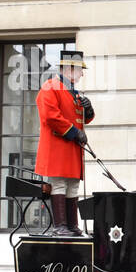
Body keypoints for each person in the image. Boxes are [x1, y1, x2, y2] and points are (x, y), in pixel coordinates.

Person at [36, 48, 95, 237]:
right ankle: (60, 225)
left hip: (72, 147)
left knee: (73, 186)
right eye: (79, 70)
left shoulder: (73, 92)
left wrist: (89, 110)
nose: (81, 74)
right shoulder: (50, 87)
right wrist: (74, 132)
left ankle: (72, 225)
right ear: (69, 69)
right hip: (58, 146)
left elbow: (81, 118)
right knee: (59, 184)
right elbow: (51, 117)